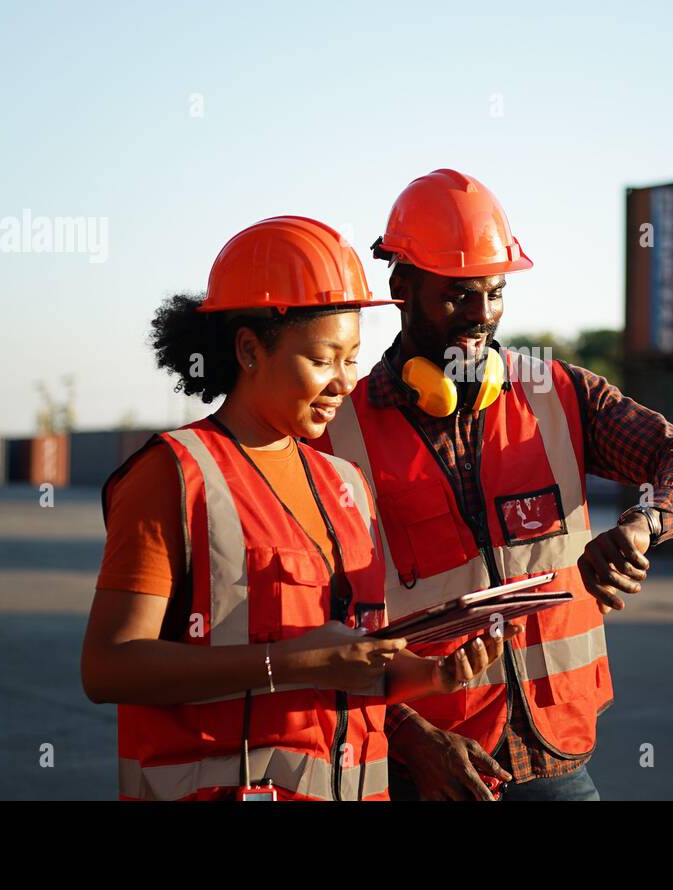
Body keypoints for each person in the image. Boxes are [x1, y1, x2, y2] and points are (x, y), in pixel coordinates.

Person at [310, 170, 673, 800]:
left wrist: (643, 525)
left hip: (556, 760)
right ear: (401, 286)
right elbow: (316, 629)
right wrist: (410, 736)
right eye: (457, 296)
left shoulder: (559, 395)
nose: (481, 317)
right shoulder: (337, 438)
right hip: (430, 770)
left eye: (495, 293)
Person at [80, 215, 515, 801]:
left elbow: (350, 663)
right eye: (323, 359)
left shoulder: (346, 485)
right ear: (249, 350)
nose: (343, 382)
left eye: (352, 358)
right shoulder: (174, 475)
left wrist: (432, 672)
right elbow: (108, 667)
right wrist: (285, 664)